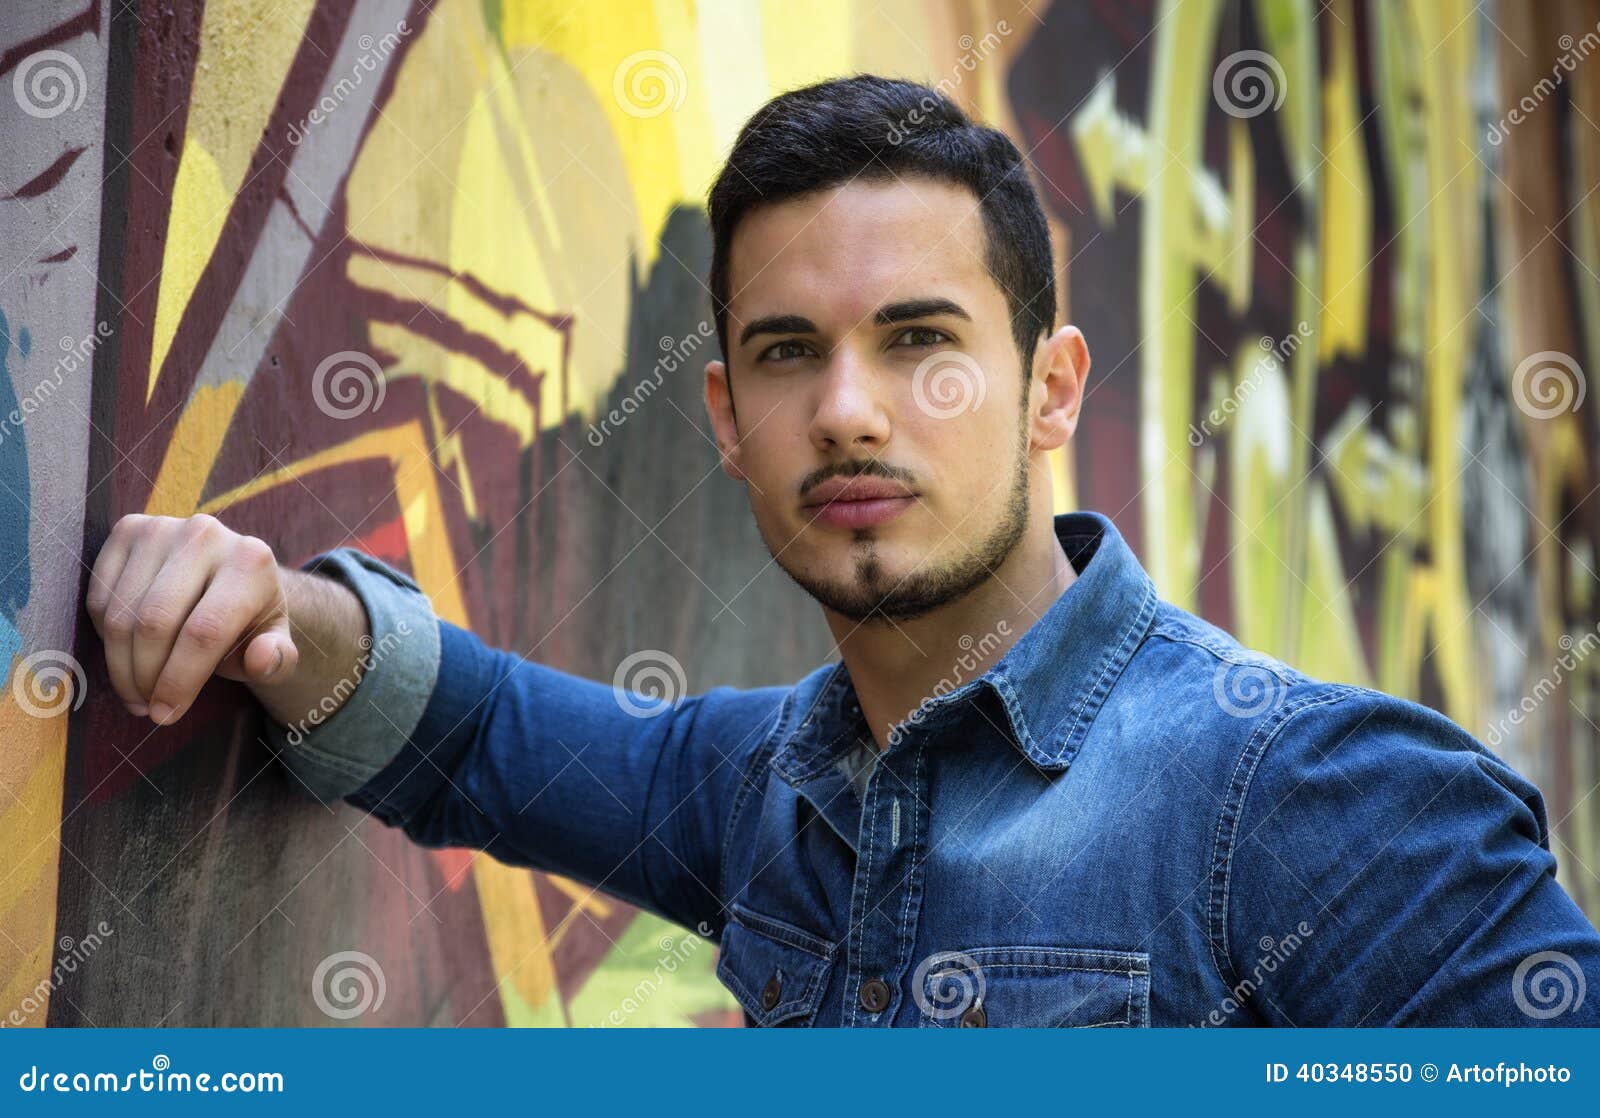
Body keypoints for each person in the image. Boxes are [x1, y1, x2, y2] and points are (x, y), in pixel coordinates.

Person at [85, 75, 1600, 1027]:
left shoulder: (1318, 799)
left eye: (923, 341)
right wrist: (267, 607)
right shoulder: (763, 797)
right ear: (728, 417)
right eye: (792, 351)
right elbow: (471, 730)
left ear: (1051, 386)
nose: (852, 410)